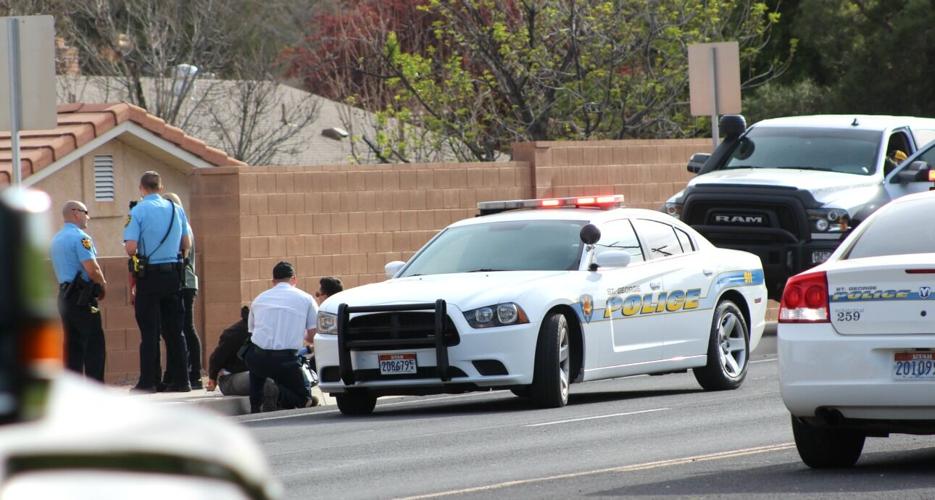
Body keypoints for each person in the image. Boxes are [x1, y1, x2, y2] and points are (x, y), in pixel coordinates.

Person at [124, 171, 191, 393]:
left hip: (149, 276)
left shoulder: (138, 210)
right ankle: (182, 380)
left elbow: (131, 247)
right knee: (175, 331)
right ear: (161, 188)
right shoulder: (176, 209)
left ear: (141, 188)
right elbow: (186, 242)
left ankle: (149, 381)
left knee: (150, 331)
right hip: (173, 275)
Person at [243, 261, 317, 413]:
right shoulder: (306, 299)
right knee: (305, 399)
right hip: (286, 361)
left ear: (273, 281)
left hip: (258, 359)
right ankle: (277, 392)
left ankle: (256, 403)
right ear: (294, 279)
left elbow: (252, 331)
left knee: (255, 356)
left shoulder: (259, 299)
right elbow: (313, 335)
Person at [49, 200, 107, 381]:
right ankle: (94, 391)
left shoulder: (56, 239)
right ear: (75, 213)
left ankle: (72, 392)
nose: (87, 217)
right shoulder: (81, 238)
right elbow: (92, 268)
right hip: (83, 297)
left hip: (65, 297)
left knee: (72, 347)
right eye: (85, 212)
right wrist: (103, 284)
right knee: (94, 345)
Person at [161, 192, 203, 389]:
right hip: (182, 282)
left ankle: (194, 373)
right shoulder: (181, 224)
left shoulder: (181, 225)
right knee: (179, 329)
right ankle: (181, 371)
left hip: (184, 282)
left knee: (186, 327)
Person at [205, 306, 280, 411]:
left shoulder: (266, 331)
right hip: (230, 378)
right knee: (266, 381)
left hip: (252, 372)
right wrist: (212, 378)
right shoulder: (234, 332)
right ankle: (268, 412)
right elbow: (216, 358)